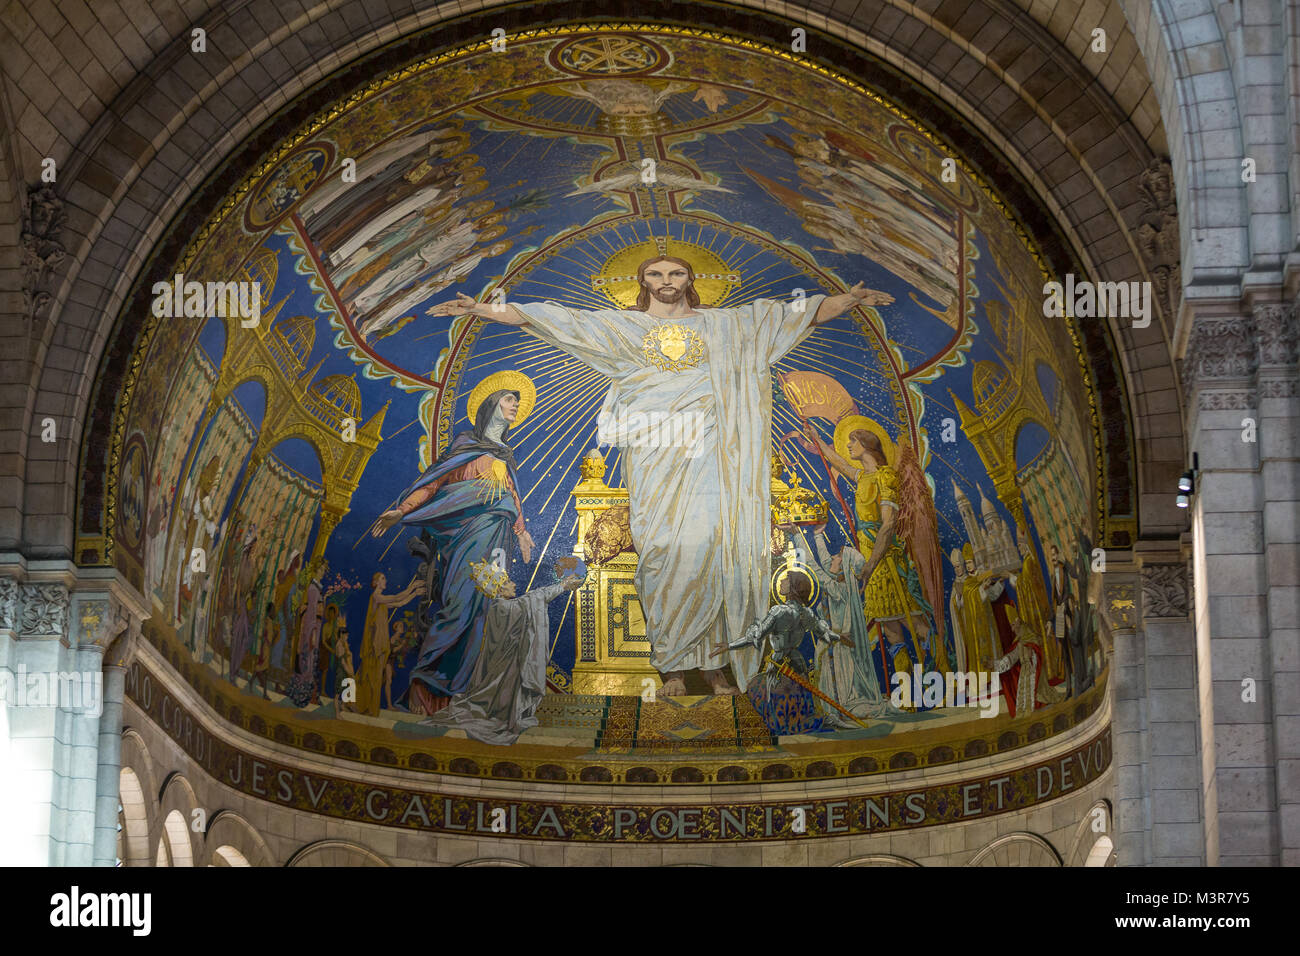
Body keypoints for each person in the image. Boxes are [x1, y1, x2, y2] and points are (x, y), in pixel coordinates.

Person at [430, 257, 894, 697]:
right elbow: (558, 319)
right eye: (656, 273)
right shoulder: (625, 328)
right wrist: (480, 309)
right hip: (653, 452)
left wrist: (847, 300)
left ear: (690, 279)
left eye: (676, 272)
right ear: (644, 282)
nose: (666, 279)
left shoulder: (726, 325)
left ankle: (714, 665)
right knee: (660, 551)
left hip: (713, 456)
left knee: (713, 548)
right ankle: (672, 662)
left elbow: (795, 315)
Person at [371, 386, 532, 715]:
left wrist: (523, 532)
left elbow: (511, 496)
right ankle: (427, 687)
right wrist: (403, 510)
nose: (514, 405)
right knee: (458, 605)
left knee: (484, 612)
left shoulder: (505, 455)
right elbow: (433, 484)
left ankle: (465, 695)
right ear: (490, 406)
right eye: (508, 400)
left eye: (517, 402)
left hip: (496, 540)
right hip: (465, 538)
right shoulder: (465, 445)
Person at [800, 425, 938, 682]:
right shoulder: (863, 477)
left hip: (885, 561)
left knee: (916, 624)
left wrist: (871, 563)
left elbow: (888, 525)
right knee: (890, 630)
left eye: (853, 441)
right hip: (870, 563)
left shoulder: (886, 477)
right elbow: (839, 462)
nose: (849, 446)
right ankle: (907, 697)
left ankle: (942, 672)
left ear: (865, 444)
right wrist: (817, 439)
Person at [422, 562, 582, 744]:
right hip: (506, 671)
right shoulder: (503, 608)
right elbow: (534, 599)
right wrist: (562, 586)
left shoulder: (500, 607)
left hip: (504, 669)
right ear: (499, 589)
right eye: (509, 582)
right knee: (500, 708)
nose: (514, 584)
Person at [357, 572, 424, 716]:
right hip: (373, 645)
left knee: (376, 677)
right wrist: (412, 586)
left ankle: (369, 707)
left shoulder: (382, 601)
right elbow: (396, 597)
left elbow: (400, 603)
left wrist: (415, 594)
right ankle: (363, 706)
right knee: (370, 675)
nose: (385, 580)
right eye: (383, 578)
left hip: (381, 644)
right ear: (376, 582)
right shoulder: (376, 597)